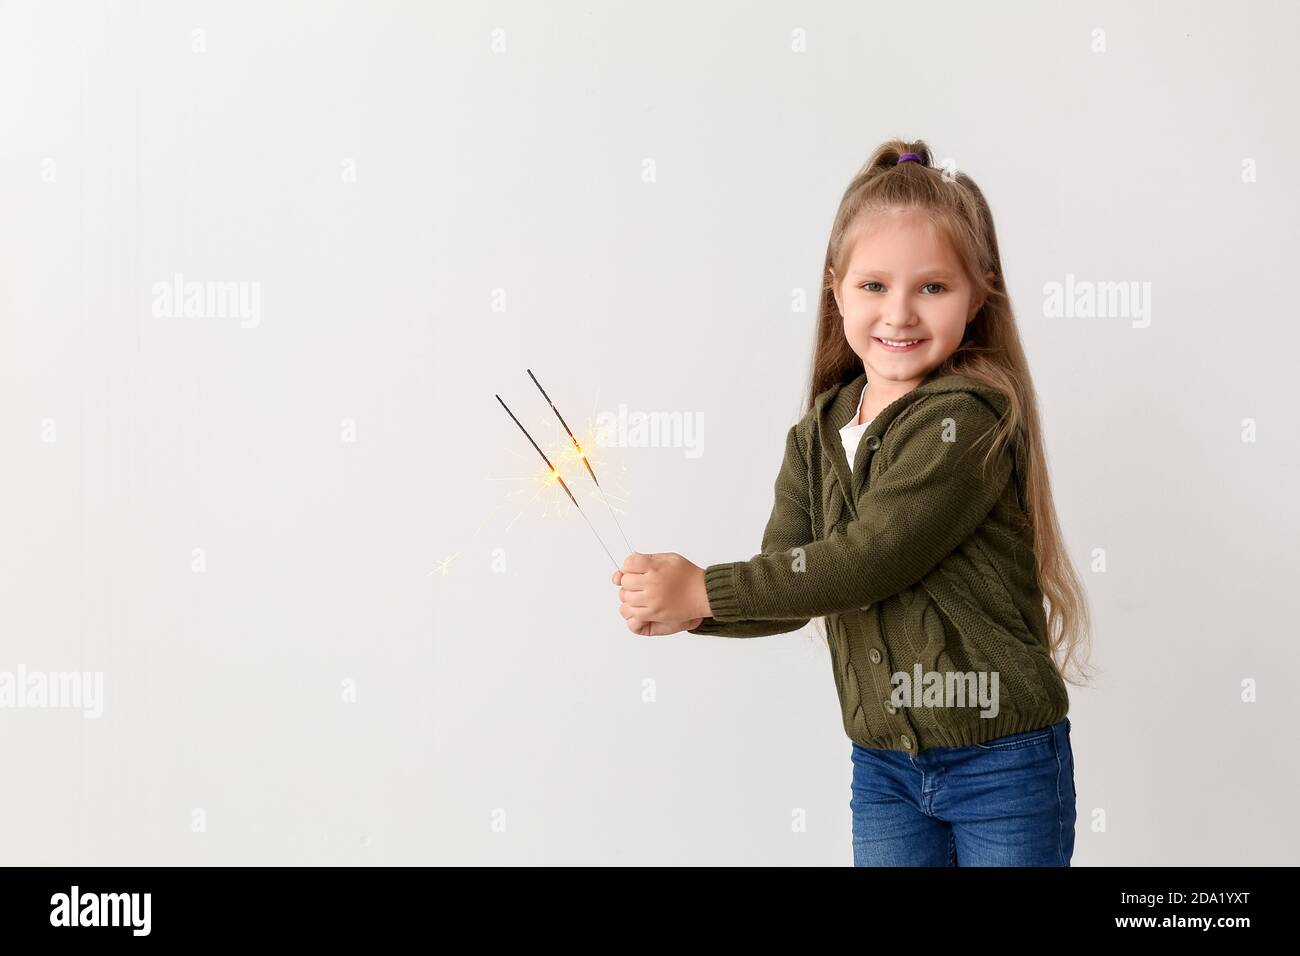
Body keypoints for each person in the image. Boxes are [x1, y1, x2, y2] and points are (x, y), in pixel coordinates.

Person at [612, 139, 1095, 866]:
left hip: (1002, 762)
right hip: (884, 771)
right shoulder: (816, 435)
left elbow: (868, 560)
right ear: (835, 289)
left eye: (932, 288)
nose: (899, 312)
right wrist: (693, 608)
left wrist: (705, 586)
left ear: (979, 293)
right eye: (874, 286)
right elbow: (792, 579)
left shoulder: (966, 418)